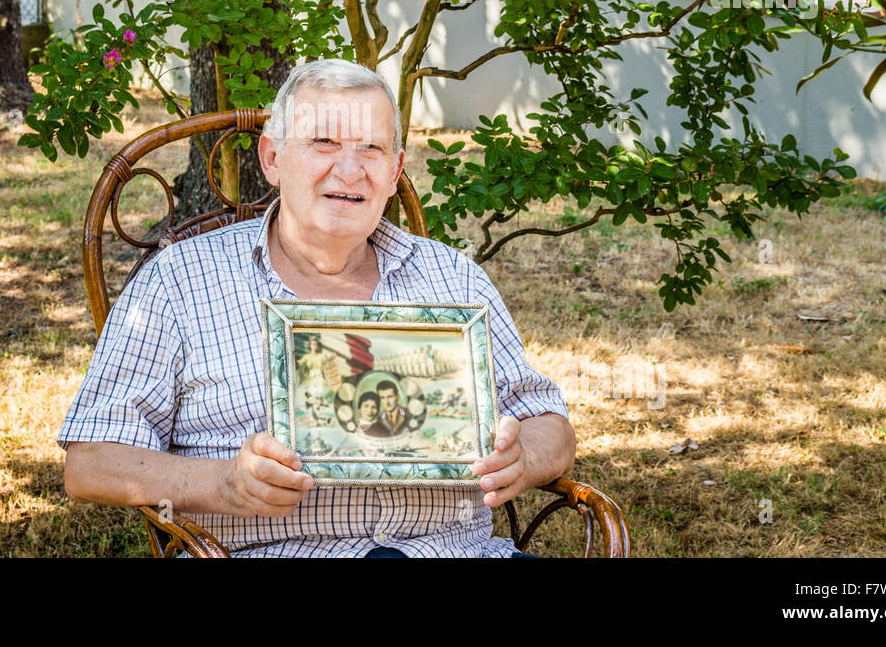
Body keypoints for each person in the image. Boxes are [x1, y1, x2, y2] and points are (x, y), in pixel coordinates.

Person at [59, 58, 575, 557]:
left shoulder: (453, 278)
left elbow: (549, 424)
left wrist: (522, 458)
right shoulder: (181, 280)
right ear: (273, 159)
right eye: (323, 142)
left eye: (370, 148)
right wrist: (224, 484)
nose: (348, 170)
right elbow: (90, 462)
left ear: (395, 171)